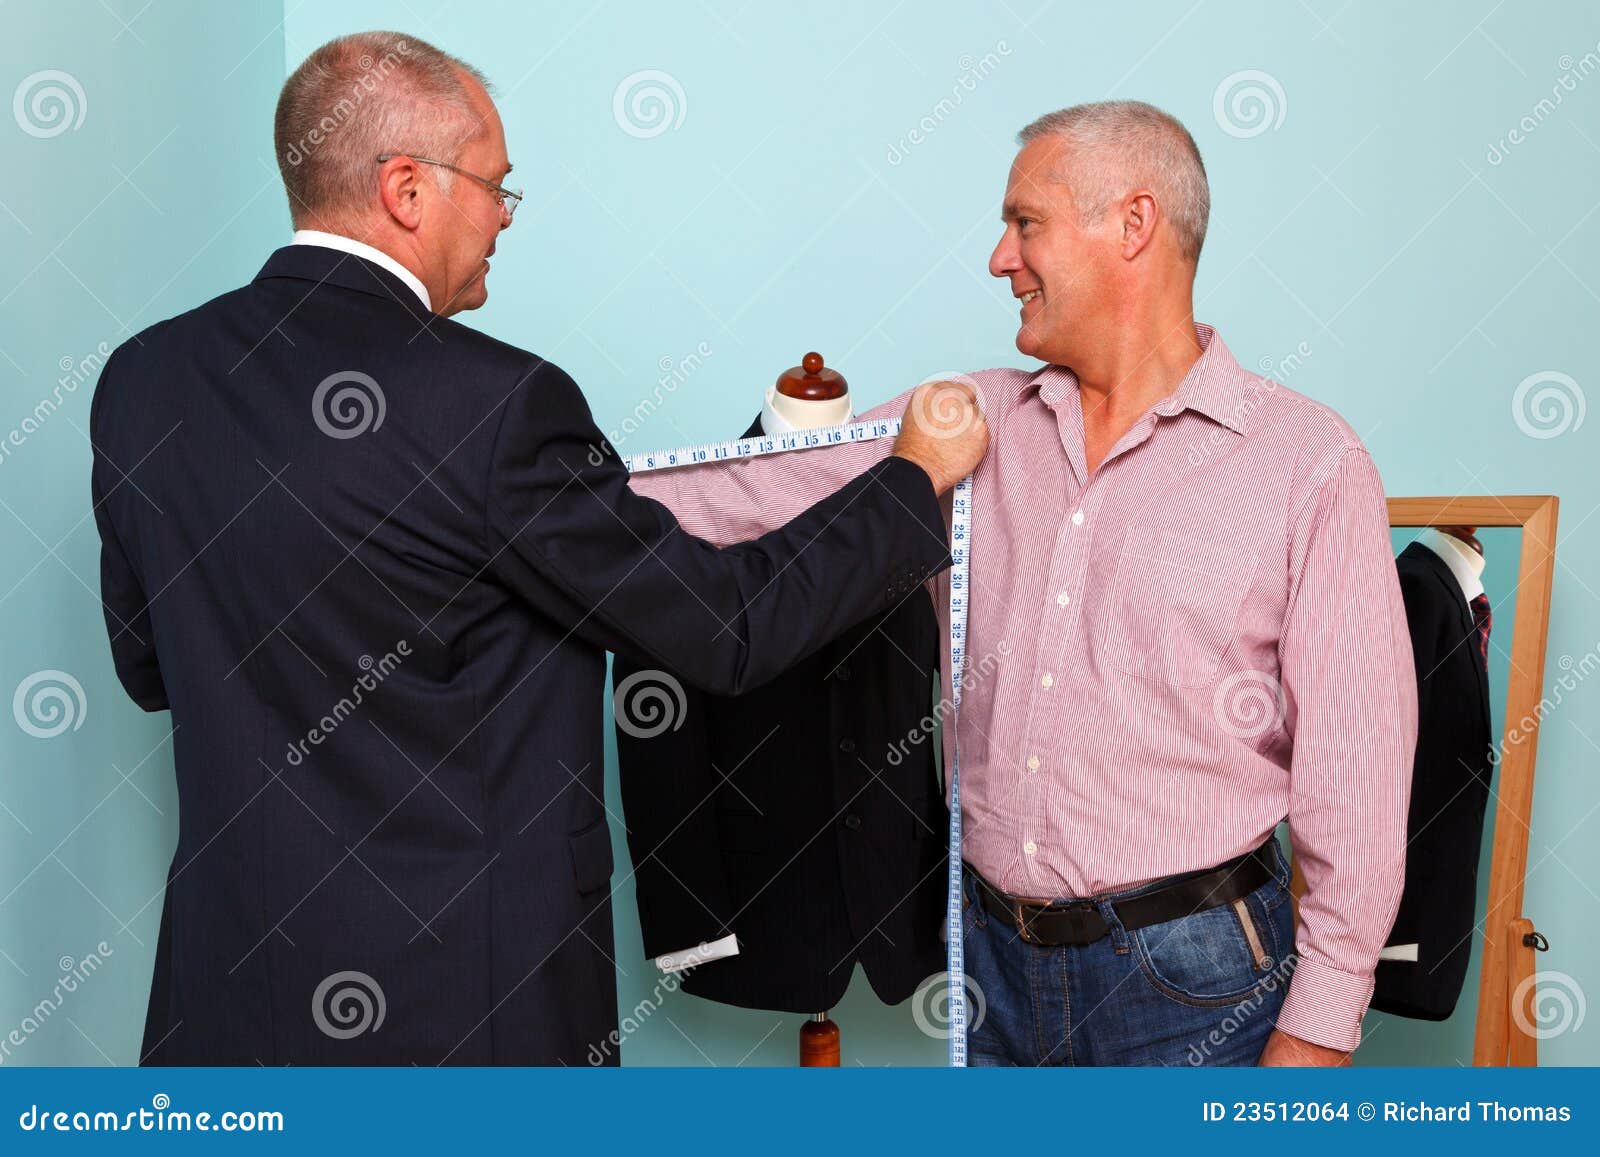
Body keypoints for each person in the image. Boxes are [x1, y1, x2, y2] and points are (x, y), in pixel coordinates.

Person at [89, 30, 986, 1065]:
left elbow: (150, 667)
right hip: (469, 1012)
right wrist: (910, 478)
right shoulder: (497, 406)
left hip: (225, 999)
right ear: (406, 189)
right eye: (495, 187)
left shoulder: (143, 380)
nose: (503, 220)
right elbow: (726, 628)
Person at [629, 100, 1417, 1066]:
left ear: (1134, 225)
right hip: (991, 966)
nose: (999, 258)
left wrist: (1317, 1038)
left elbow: (1357, 786)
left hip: (1196, 975)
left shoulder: (1307, 462)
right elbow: (752, 496)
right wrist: (513, 493)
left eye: (1025, 223)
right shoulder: (968, 423)